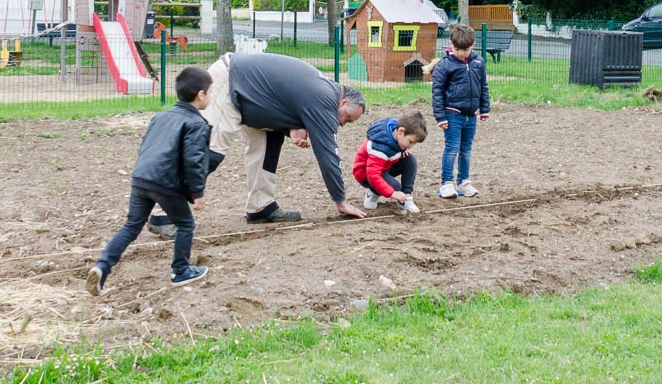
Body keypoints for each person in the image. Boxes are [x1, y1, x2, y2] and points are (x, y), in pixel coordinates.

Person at [87, 66, 215, 294]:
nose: (211, 96)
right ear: (201, 94)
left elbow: (147, 145)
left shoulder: (161, 116)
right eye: (211, 92)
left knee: (131, 226)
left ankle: (102, 267)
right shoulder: (196, 124)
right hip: (166, 183)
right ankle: (181, 271)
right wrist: (197, 192)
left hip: (141, 178)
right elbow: (193, 160)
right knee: (185, 224)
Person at [201, 51, 368, 222]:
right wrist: (341, 200)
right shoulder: (325, 99)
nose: (342, 124)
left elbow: (282, 97)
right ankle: (180, 208)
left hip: (249, 89)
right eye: (347, 118)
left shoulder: (324, 91)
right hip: (230, 79)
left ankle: (261, 206)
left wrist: (290, 128)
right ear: (344, 102)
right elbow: (328, 153)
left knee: (270, 140)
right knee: (210, 152)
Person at [431, 22, 491, 198]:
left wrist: (484, 109)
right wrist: (440, 117)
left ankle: (464, 182)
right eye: (458, 49)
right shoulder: (444, 65)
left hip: (471, 116)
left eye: (465, 50)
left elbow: (483, 86)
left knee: (466, 150)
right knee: (452, 148)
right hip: (452, 115)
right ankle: (447, 184)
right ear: (451, 43)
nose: (461, 53)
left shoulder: (478, 62)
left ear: (472, 45)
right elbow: (437, 92)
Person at [352, 111, 428, 215]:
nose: (411, 146)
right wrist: (392, 193)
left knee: (410, 160)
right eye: (410, 142)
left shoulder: (397, 132)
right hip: (366, 174)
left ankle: (406, 197)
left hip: (385, 165)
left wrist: (402, 150)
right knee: (395, 187)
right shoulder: (379, 147)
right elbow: (373, 175)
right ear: (401, 131)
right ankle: (373, 192)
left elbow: (396, 147)